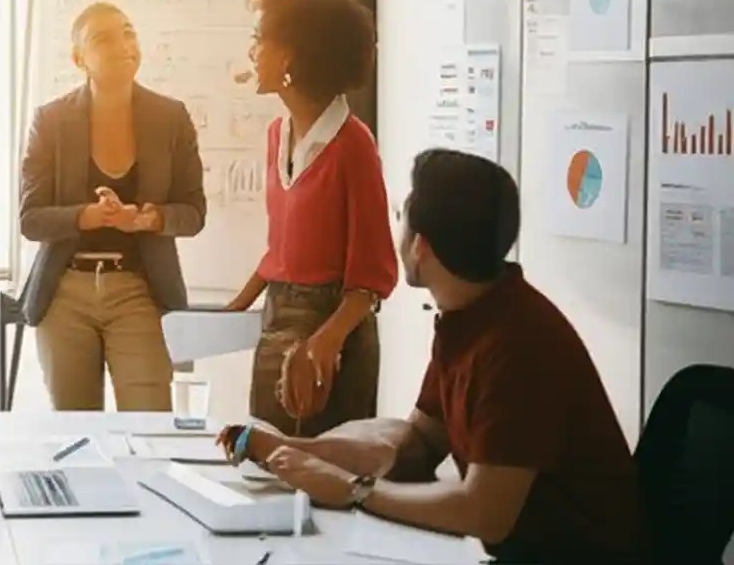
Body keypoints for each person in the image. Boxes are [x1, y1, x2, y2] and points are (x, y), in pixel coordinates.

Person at [218, 149, 644, 563]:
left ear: (420, 246)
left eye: (401, 216)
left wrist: (354, 489)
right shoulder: (470, 314)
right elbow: (419, 442)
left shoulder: (519, 344)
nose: (396, 226)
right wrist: (296, 450)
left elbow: (485, 513)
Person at [226, 0, 397, 437]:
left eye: (260, 40)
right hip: (277, 319)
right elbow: (281, 251)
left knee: (320, 478)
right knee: (266, 466)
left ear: (289, 57)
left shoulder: (353, 145)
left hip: (331, 333)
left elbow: (373, 274)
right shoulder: (276, 135)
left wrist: (325, 343)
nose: (253, 52)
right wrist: (234, 309)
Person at [19, 1, 206, 412]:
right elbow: (31, 220)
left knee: (148, 426)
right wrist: (85, 216)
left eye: (129, 32)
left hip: (139, 291)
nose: (124, 45)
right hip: (65, 293)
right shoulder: (50, 120)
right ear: (78, 58)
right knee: (76, 434)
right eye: (104, 38)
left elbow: (193, 212)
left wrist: (146, 219)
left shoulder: (170, 117)